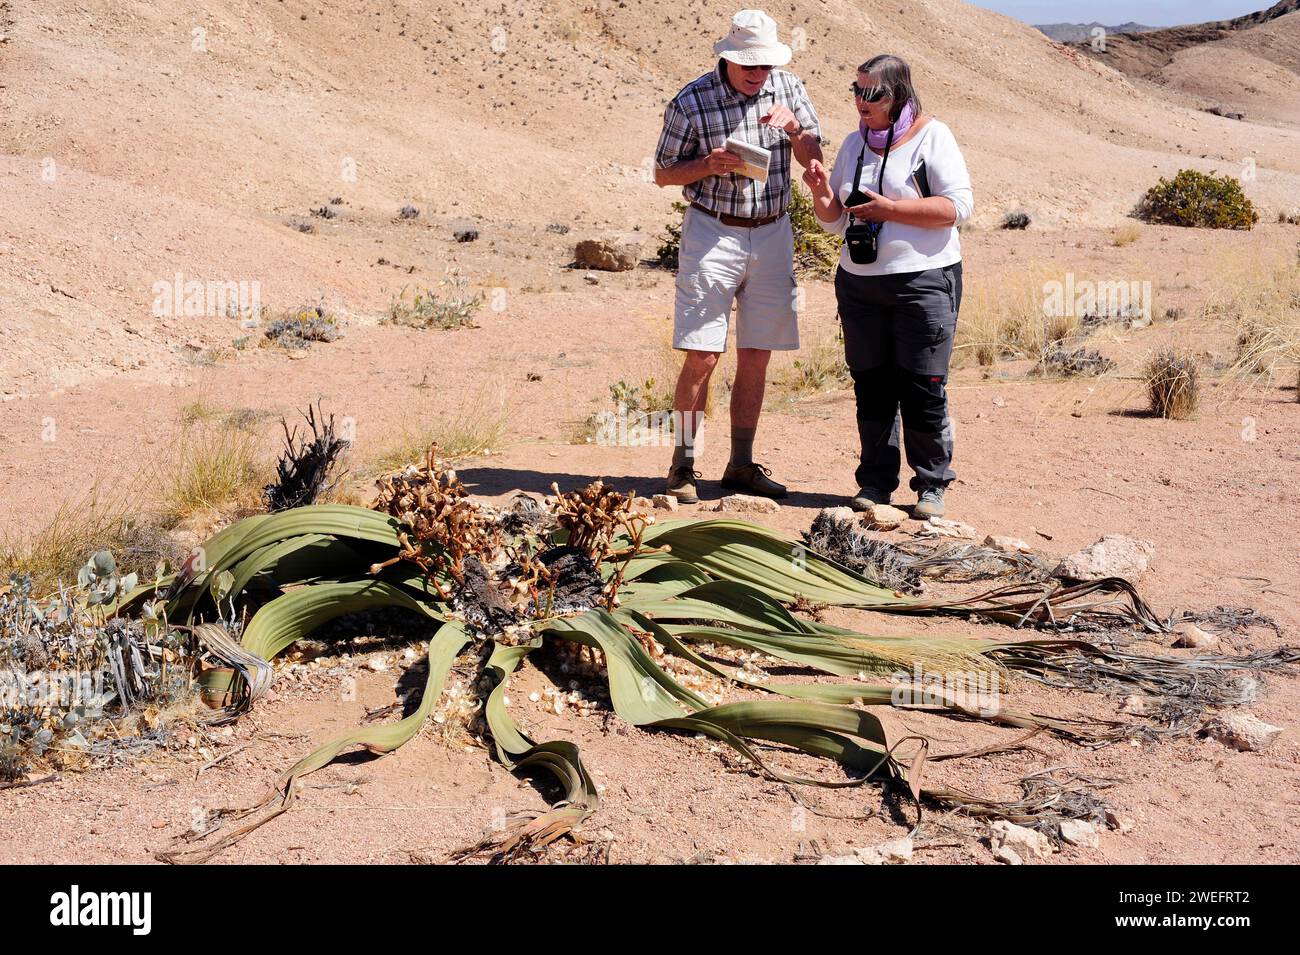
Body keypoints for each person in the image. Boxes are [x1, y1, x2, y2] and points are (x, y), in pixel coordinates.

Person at [653, 9, 823, 503]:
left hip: (772, 232)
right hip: (713, 232)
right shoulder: (692, 100)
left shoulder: (789, 88)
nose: (758, 74)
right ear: (727, 57)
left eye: (765, 65)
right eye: (749, 64)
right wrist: (706, 164)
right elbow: (664, 172)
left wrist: (796, 132)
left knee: (757, 353)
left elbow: (814, 155)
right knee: (703, 352)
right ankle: (683, 466)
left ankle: (741, 465)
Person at [803, 54, 972, 518]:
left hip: (924, 279)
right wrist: (820, 190)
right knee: (871, 384)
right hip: (859, 284)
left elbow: (957, 208)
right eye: (855, 90)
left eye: (871, 93)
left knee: (923, 382)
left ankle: (932, 485)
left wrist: (889, 210)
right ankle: (875, 483)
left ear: (897, 95)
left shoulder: (933, 136)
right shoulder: (854, 146)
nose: (861, 101)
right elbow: (835, 223)